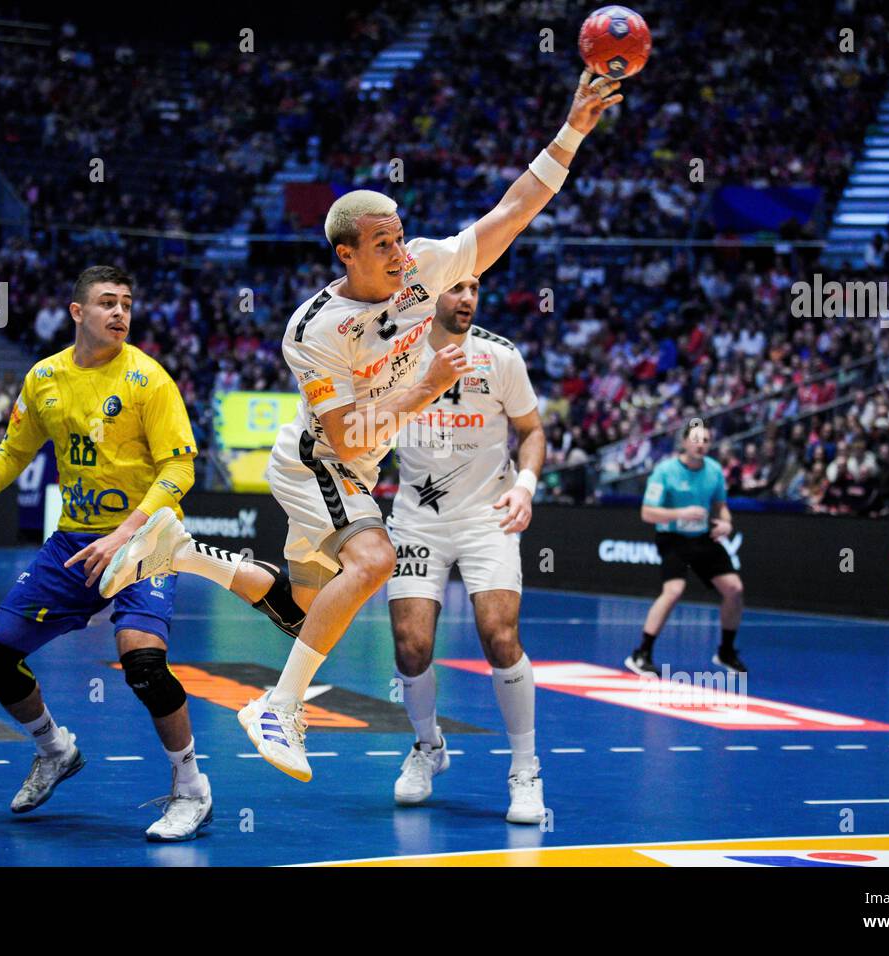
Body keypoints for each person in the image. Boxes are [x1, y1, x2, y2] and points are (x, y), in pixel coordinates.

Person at [102, 69, 625, 782]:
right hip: (322, 459)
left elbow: (513, 209)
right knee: (375, 562)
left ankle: (181, 551)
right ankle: (279, 707)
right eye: (383, 243)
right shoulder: (316, 330)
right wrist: (425, 387)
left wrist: (573, 130)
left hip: (356, 465)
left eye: (401, 236)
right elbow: (346, 440)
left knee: (302, 612)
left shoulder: (425, 268)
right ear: (346, 253)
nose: (400, 251)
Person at [0, 265, 298, 841]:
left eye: (127, 303)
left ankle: (191, 790)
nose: (120, 313)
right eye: (107, 303)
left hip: (146, 538)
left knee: (144, 664)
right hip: (74, 542)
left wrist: (126, 532)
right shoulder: (45, 378)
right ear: (77, 312)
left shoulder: (148, 379)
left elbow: (180, 466)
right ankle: (54, 749)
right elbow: (12, 452)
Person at [385, 276, 547, 823]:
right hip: (416, 519)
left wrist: (525, 486)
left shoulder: (500, 356)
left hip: (488, 516)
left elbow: (532, 430)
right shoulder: (390, 356)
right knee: (411, 647)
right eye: (455, 288)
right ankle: (428, 747)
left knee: (500, 636)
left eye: (474, 288)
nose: (468, 299)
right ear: (424, 296)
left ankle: (525, 769)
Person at [625, 421, 747, 676]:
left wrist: (726, 522)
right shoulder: (665, 471)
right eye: (696, 439)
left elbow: (720, 505)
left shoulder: (714, 470)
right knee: (674, 590)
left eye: (705, 440)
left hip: (702, 537)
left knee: (734, 589)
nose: (701, 444)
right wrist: (682, 512)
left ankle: (725, 652)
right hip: (673, 538)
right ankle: (641, 654)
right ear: (684, 443)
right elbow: (647, 513)